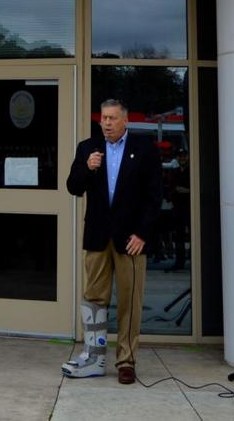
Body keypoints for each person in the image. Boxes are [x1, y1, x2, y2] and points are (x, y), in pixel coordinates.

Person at [62, 99, 161, 384]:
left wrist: (143, 233)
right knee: (94, 299)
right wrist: (87, 168)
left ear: (125, 121)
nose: (106, 123)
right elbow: (73, 186)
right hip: (97, 236)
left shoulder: (144, 149)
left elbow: (154, 197)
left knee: (130, 300)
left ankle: (126, 360)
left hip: (131, 240)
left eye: (112, 118)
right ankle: (94, 357)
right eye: (104, 118)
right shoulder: (88, 148)